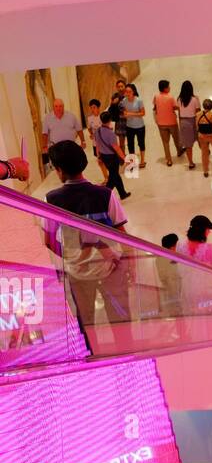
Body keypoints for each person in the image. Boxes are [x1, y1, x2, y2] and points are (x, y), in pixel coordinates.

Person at [46, 141, 129, 333]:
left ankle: (91, 357)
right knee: (120, 322)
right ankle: (125, 359)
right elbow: (122, 235)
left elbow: (49, 242)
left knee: (86, 326)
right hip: (110, 269)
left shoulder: (51, 200)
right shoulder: (106, 194)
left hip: (78, 272)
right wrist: (129, 264)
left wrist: (72, 257)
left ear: (59, 170)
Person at [93, 111, 132, 200]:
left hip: (104, 157)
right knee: (112, 178)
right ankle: (104, 196)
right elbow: (117, 148)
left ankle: (122, 193)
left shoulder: (97, 131)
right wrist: (125, 158)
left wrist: (99, 156)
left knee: (115, 175)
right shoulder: (111, 134)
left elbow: (97, 145)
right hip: (112, 158)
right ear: (110, 120)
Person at [153, 79, 182, 166]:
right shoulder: (170, 97)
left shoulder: (156, 96)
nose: (170, 88)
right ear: (165, 88)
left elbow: (155, 107)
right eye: (168, 86)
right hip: (172, 122)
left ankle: (169, 160)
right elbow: (177, 107)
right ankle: (179, 151)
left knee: (165, 142)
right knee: (176, 139)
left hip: (161, 123)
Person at [176, 80, 201, 170]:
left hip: (183, 122)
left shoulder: (179, 99)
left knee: (188, 145)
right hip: (194, 121)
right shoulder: (195, 99)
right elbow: (198, 112)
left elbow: (179, 112)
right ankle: (205, 154)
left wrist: (180, 123)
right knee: (200, 140)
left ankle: (190, 163)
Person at [156, 234, 182, 317]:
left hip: (167, 297)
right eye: (177, 245)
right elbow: (173, 280)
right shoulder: (170, 259)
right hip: (174, 300)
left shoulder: (159, 259)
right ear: (173, 246)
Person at [122, 83, 146, 168]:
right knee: (130, 145)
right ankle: (132, 161)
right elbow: (125, 113)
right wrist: (127, 114)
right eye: (126, 92)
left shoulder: (139, 100)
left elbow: (143, 113)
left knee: (141, 143)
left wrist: (130, 114)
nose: (127, 93)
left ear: (133, 92)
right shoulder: (124, 101)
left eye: (129, 91)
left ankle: (142, 160)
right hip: (129, 126)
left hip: (140, 126)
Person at [86, 98, 108, 181]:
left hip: (104, 143)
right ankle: (106, 177)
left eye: (94, 107)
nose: (92, 109)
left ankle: (109, 176)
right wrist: (91, 134)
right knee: (100, 161)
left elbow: (108, 128)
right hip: (95, 144)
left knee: (104, 160)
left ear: (98, 107)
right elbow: (89, 128)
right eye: (91, 107)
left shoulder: (103, 116)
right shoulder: (89, 118)